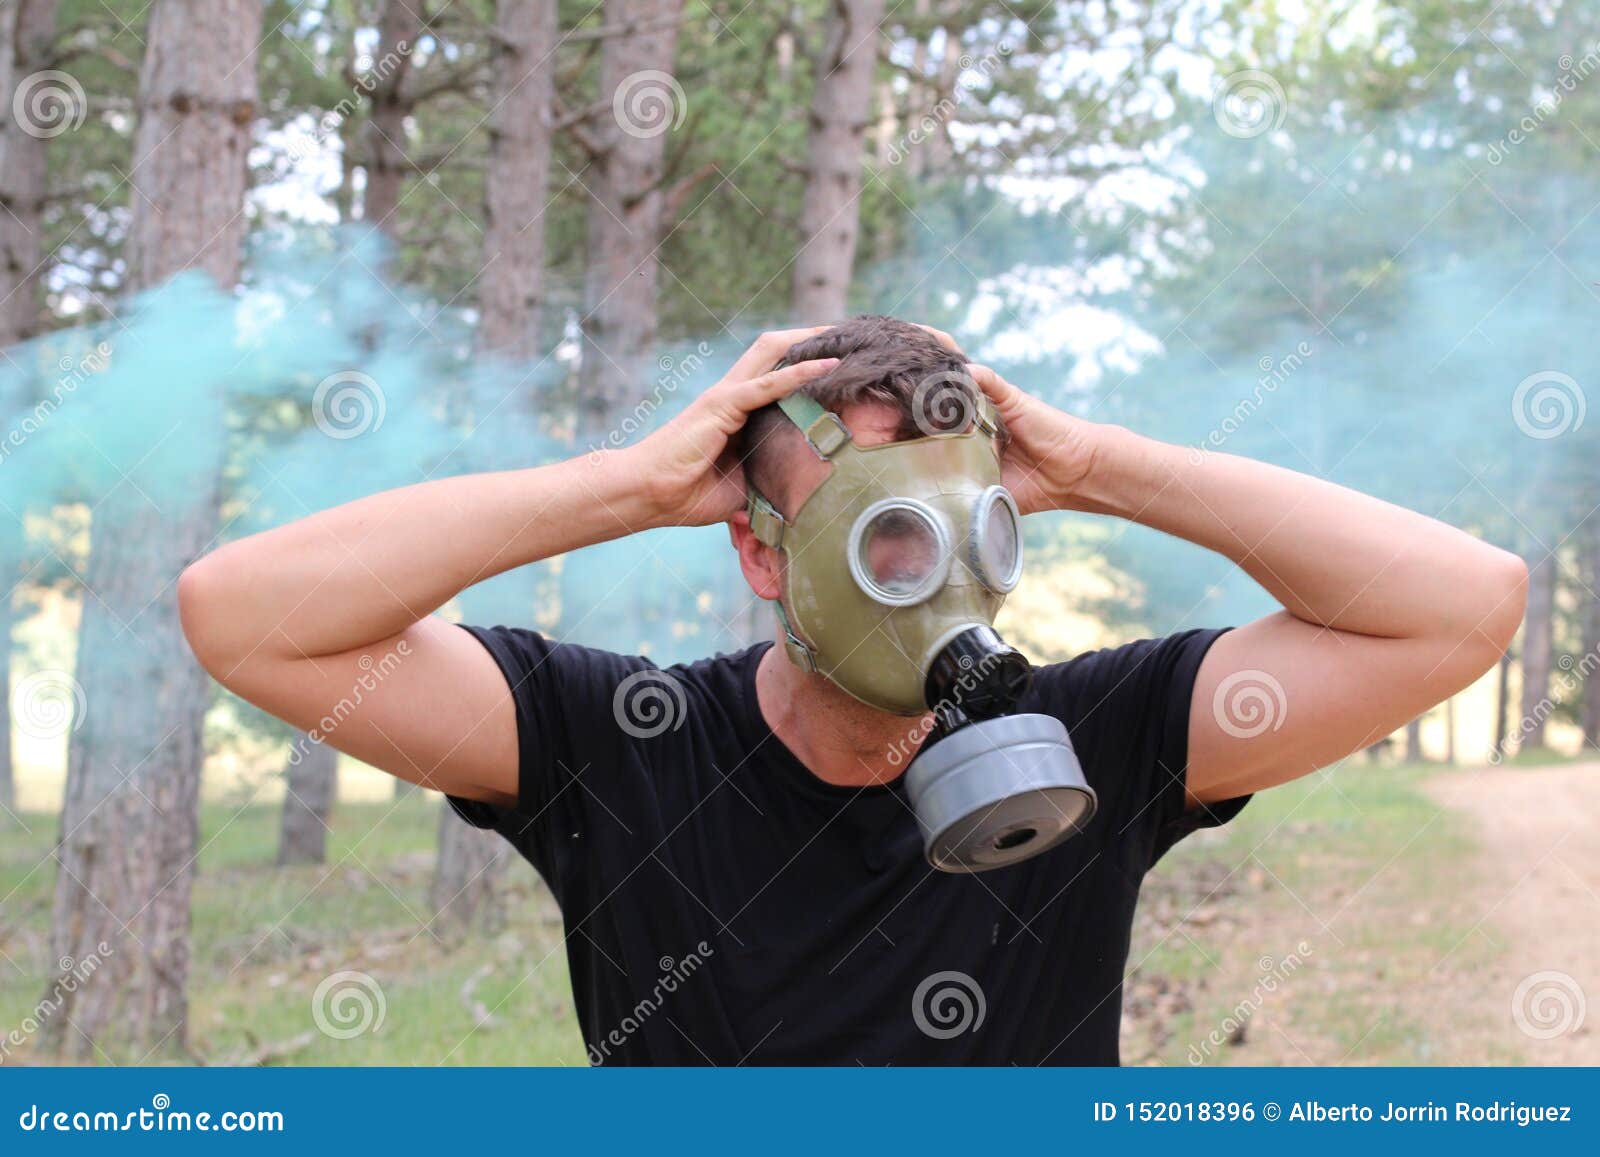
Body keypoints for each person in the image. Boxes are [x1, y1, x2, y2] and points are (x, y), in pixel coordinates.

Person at [178, 316, 1527, 1064]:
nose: (929, 578)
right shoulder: (625, 746)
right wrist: (632, 483)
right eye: (882, 539)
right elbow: (239, 616)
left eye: (960, 526)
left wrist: (1098, 462)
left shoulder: (1088, 742)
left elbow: (1465, 604)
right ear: (760, 549)